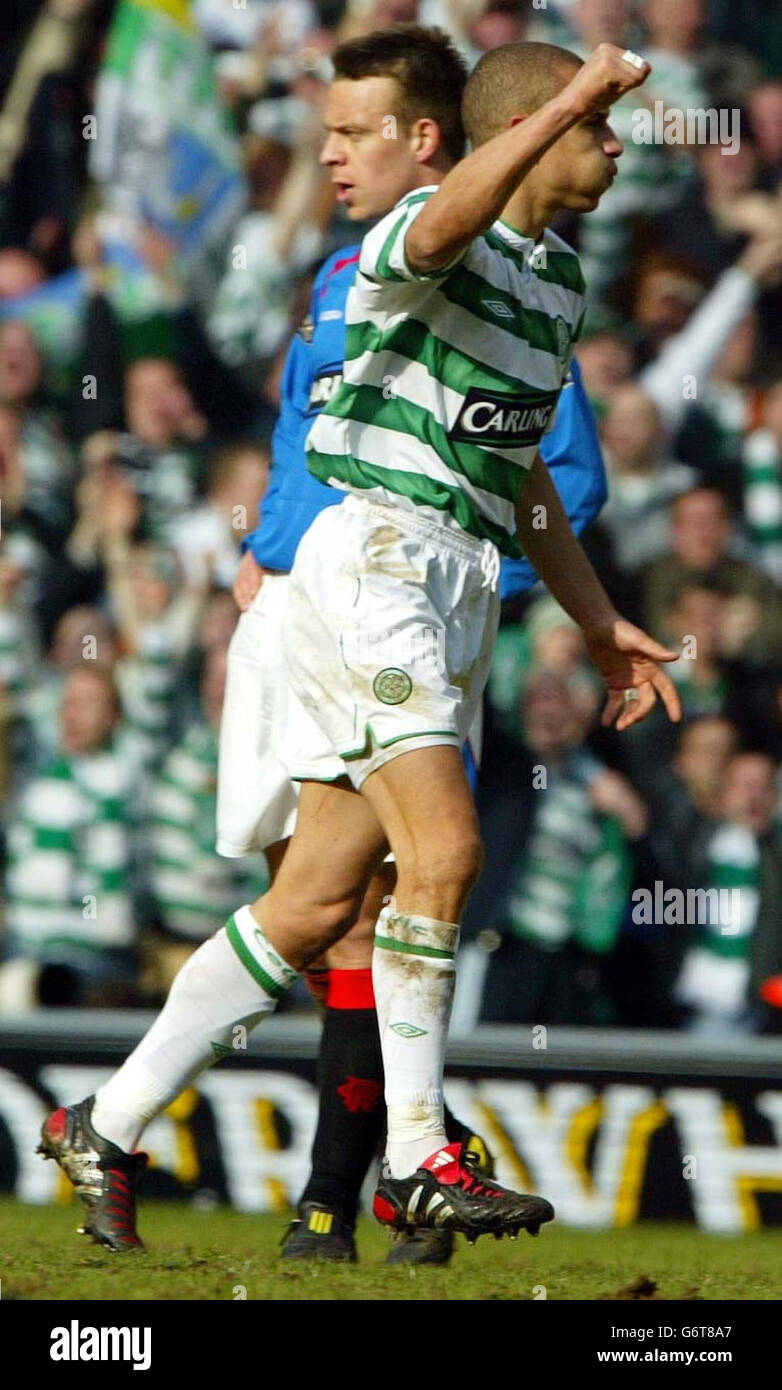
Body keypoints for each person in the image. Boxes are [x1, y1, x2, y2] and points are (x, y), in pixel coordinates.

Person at [39, 32, 679, 1253]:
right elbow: (441, 234)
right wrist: (575, 92)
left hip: (455, 586)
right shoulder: (425, 229)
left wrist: (596, 623)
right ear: (533, 127)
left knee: (318, 894)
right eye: (597, 126)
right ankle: (416, 1153)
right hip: (373, 558)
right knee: (443, 850)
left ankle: (105, 1120)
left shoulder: (552, 284)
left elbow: (519, 471)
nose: (611, 146)